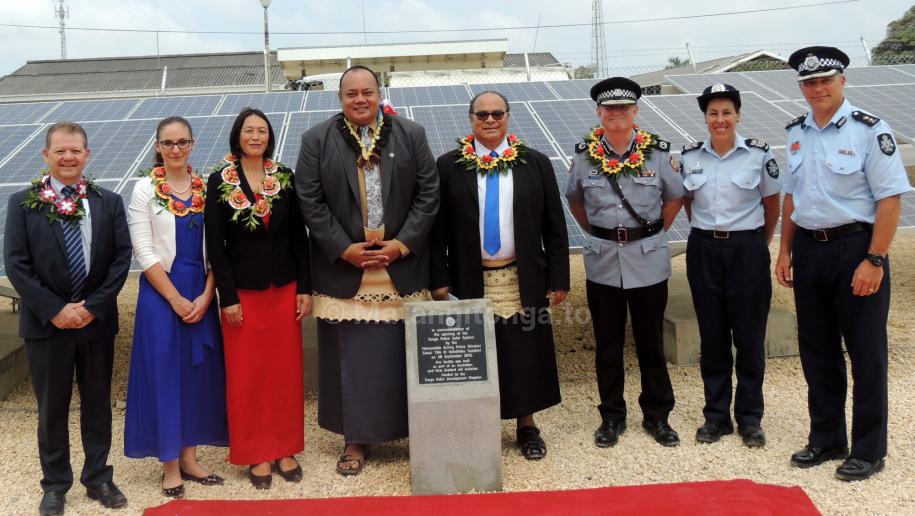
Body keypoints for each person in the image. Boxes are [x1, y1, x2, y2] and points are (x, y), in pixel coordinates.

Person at [775, 46, 912, 481]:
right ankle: (826, 437)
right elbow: (793, 197)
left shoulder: (870, 131)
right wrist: (785, 250)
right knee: (818, 351)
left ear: (841, 82)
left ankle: (869, 450)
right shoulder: (796, 132)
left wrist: (875, 258)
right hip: (811, 252)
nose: (817, 89)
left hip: (857, 249)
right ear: (801, 87)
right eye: (809, 83)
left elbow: (890, 198)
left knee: (866, 353)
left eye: (825, 81)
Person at [295, 65, 439, 476]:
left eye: (368, 92)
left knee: (402, 359)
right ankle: (354, 439)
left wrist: (400, 244)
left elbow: (429, 193)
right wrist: (344, 249)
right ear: (340, 98)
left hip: (401, 267)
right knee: (350, 362)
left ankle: (409, 433)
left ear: (379, 94)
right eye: (351, 93)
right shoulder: (316, 140)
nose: (360, 99)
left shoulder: (411, 134)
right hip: (345, 270)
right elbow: (310, 199)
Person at [430, 91, 569, 460]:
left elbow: (554, 226)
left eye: (497, 114)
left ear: (508, 116)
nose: (490, 120)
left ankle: (526, 426)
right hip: (467, 277)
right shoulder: (448, 166)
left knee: (523, 352)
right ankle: (475, 426)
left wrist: (559, 278)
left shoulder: (535, 164)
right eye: (482, 114)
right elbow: (435, 230)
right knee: (472, 354)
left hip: (522, 276)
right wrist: (438, 278)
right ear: (470, 119)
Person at [3, 122, 132, 515]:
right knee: (51, 408)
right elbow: (17, 265)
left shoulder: (109, 202)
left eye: (75, 150)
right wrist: (56, 310)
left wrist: (91, 307)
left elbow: (120, 259)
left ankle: (98, 478)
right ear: (46, 155)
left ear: (87, 155)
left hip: (96, 325)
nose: (68, 157)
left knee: (97, 404)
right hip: (47, 326)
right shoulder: (22, 203)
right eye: (60, 150)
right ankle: (55, 484)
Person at [564, 77, 685, 449]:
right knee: (608, 345)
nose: (616, 113)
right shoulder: (585, 156)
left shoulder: (657, 154)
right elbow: (576, 201)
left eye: (624, 108)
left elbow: (675, 197)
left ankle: (657, 416)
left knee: (650, 343)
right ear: (599, 112)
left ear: (635, 111)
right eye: (609, 108)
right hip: (603, 264)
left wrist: (650, 233)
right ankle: (612, 417)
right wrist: (601, 233)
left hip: (647, 261)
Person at [204, 108, 311, 489]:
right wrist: (227, 297)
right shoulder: (219, 181)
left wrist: (305, 288)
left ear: (270, 137)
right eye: (248, 130)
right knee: (248, 376)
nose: (255, 136)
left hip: (283, 289)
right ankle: (255, 452)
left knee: (284, 374)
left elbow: (299, 236)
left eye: (262, 131)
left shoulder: (283, 177)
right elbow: (215, 246)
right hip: (244, 297)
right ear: (237, 136)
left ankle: (285, 447)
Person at [124, 116, 228, 498]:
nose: (176, 150)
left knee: (197, 376)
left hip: (200, 291)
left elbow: (219, 247)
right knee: (165, 376)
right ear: (157, 147)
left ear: (193, 144)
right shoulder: (143, 190)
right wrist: (174, 298)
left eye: (183, 142)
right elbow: (144, 250)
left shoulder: (208, 188)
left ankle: (190, 457)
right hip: (161, 294)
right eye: (168, 143)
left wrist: (206, 295)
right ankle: (169, 465)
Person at [679, 84, 780, 447]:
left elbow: (772, 204)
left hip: (747, 250)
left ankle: (750, 418)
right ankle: (716, 417)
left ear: (738, 115)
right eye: (712, 113)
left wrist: (756, 243)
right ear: (705, 118)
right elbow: (690, 203)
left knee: (750, 337)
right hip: (704, 249)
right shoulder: (690, 157)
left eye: (726, 112)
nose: (719, 120)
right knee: (713, 335)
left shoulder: (758, 155)